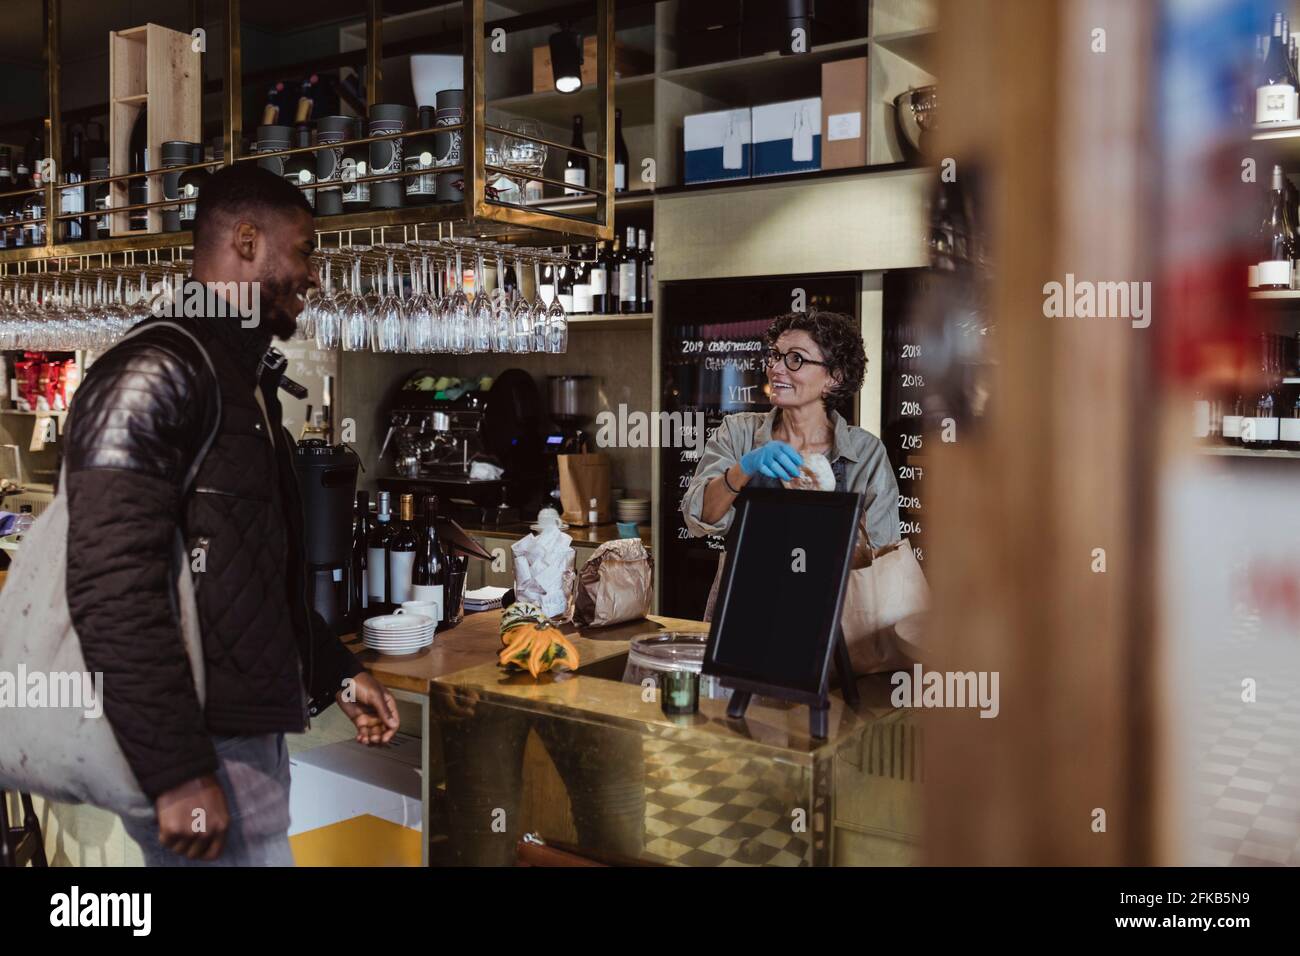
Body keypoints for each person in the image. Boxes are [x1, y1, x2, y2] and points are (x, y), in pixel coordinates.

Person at [63, 163, 399, 866]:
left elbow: (245, 573)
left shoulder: (239, 380)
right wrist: (177, 771)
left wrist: (335, 668)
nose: (313, 276)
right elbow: (109, 585)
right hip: (201, 745)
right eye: (303, 249)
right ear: (247, 241)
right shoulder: (156, 369)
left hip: (237, 743)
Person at [681, 311, 900, 613]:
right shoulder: (738, 432)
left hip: (833, 616)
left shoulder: (866, 453)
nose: (776, 369)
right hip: (744, 611)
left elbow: (882, 556)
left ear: (834, 377)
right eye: (775, 356)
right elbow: (698, 519)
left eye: (795, 359)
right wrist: (744, 468)